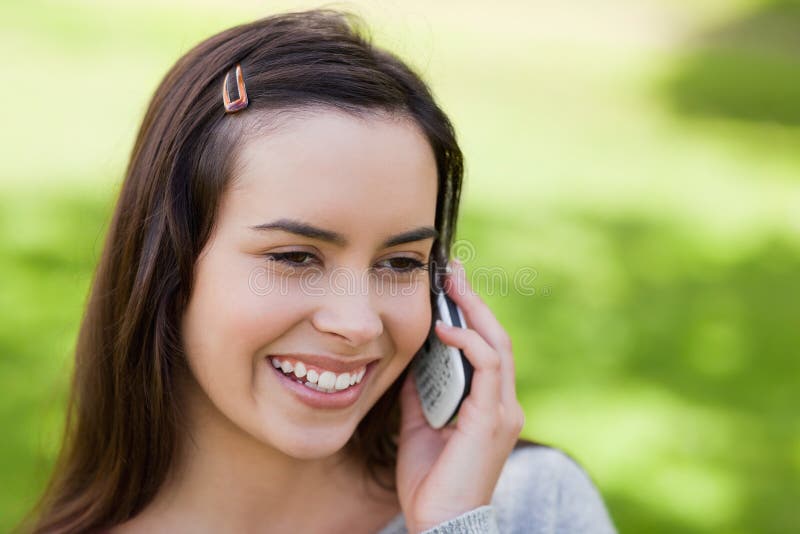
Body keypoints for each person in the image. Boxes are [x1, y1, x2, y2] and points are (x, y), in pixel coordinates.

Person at [20, 9, 616, 534]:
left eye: (400, 263)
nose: (356, 324)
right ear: (169, 265)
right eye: (294, 257)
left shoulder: (532, 505)